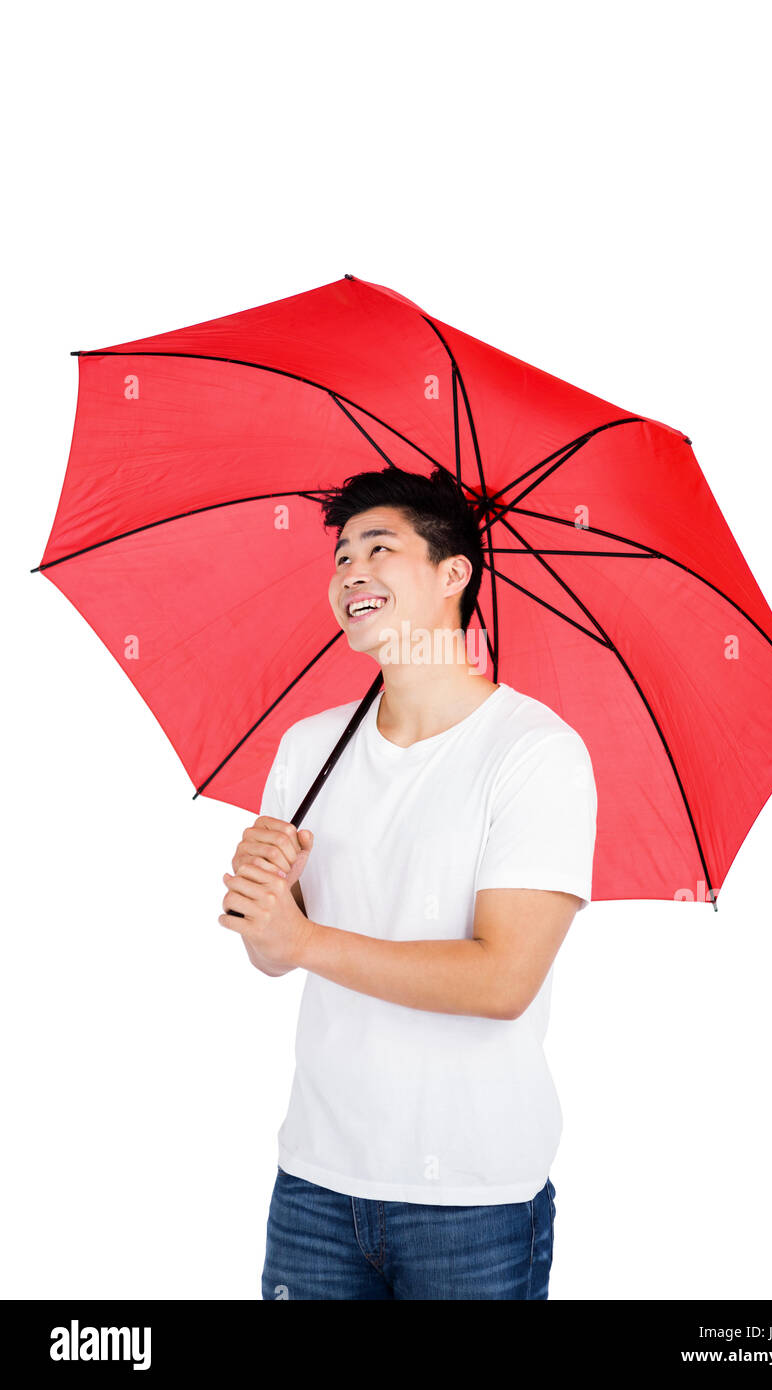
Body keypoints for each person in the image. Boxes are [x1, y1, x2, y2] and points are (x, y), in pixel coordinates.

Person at [218, 464, 597, 1300]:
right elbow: (273, 958)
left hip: (472, 1201)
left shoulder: (535, 754)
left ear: (454, 573)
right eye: (343, 554)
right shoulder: (308, 747)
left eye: (379, 548)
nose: (351, 571)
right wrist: (264, 907)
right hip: (314, 1178)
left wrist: (305, 939)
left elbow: (502, 980)